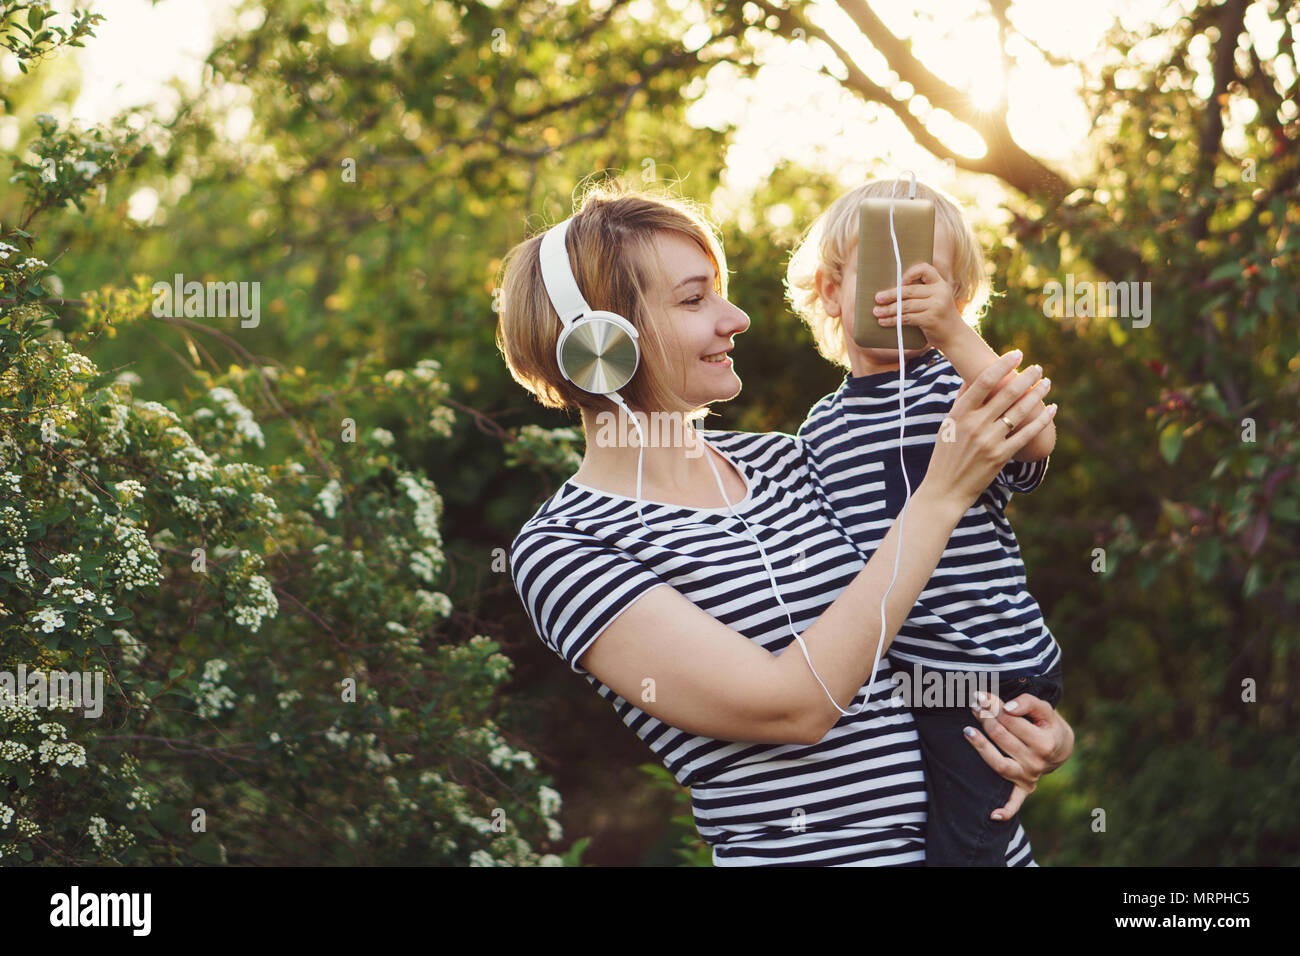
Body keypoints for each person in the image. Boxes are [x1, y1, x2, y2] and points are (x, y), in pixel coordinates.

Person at [496, 178, 1071, 866]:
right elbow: (793, 708)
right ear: (605, 341)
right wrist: (940, 496)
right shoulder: (568, 548)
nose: (735, 316)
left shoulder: (790, 463)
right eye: (694, 299)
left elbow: (922, 616)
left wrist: (1028, 724)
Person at [786, 177, 1063, 865]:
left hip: (985, 669)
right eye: (880, 274)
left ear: (960, 300)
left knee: (967, 849)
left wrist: (951, 334)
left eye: (926, 281)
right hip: (904, 681)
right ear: (828, 291)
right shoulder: (820, 428)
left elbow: (1034, 440)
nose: (901, 294)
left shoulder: (961, 390)